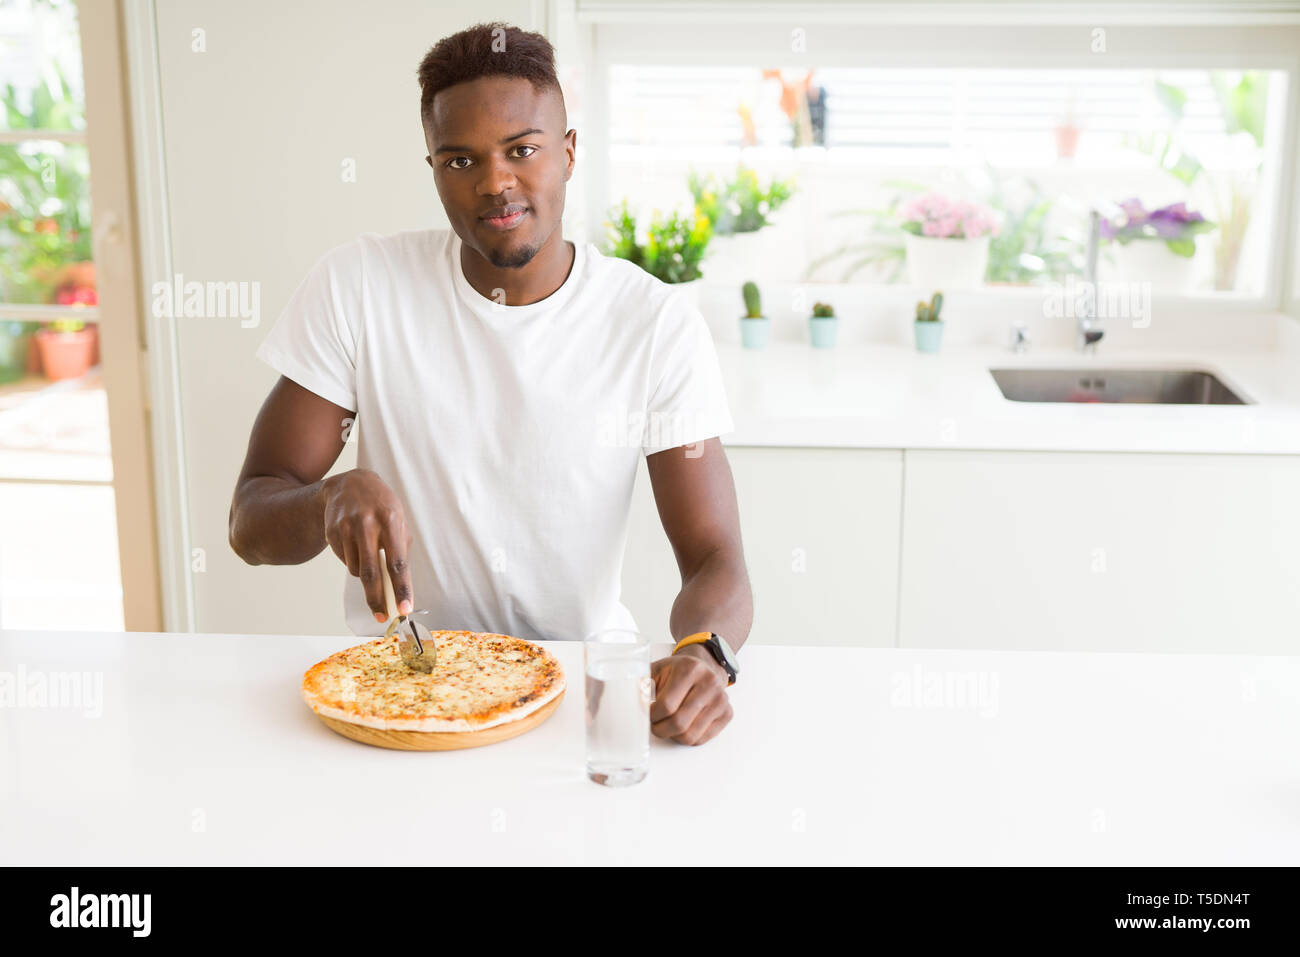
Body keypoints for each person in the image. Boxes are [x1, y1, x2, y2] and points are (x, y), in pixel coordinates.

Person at [228, 21, 751, 747]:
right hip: (398, 692)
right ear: (434, 169)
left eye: (523, 150)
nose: (495, 181)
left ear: (568, 153)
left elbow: (715, 556)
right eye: (460, 159)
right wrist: (326, 499)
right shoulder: (359, 287)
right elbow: (250, 524)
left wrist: (705, 651)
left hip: (582, 693)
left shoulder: (653, 324)